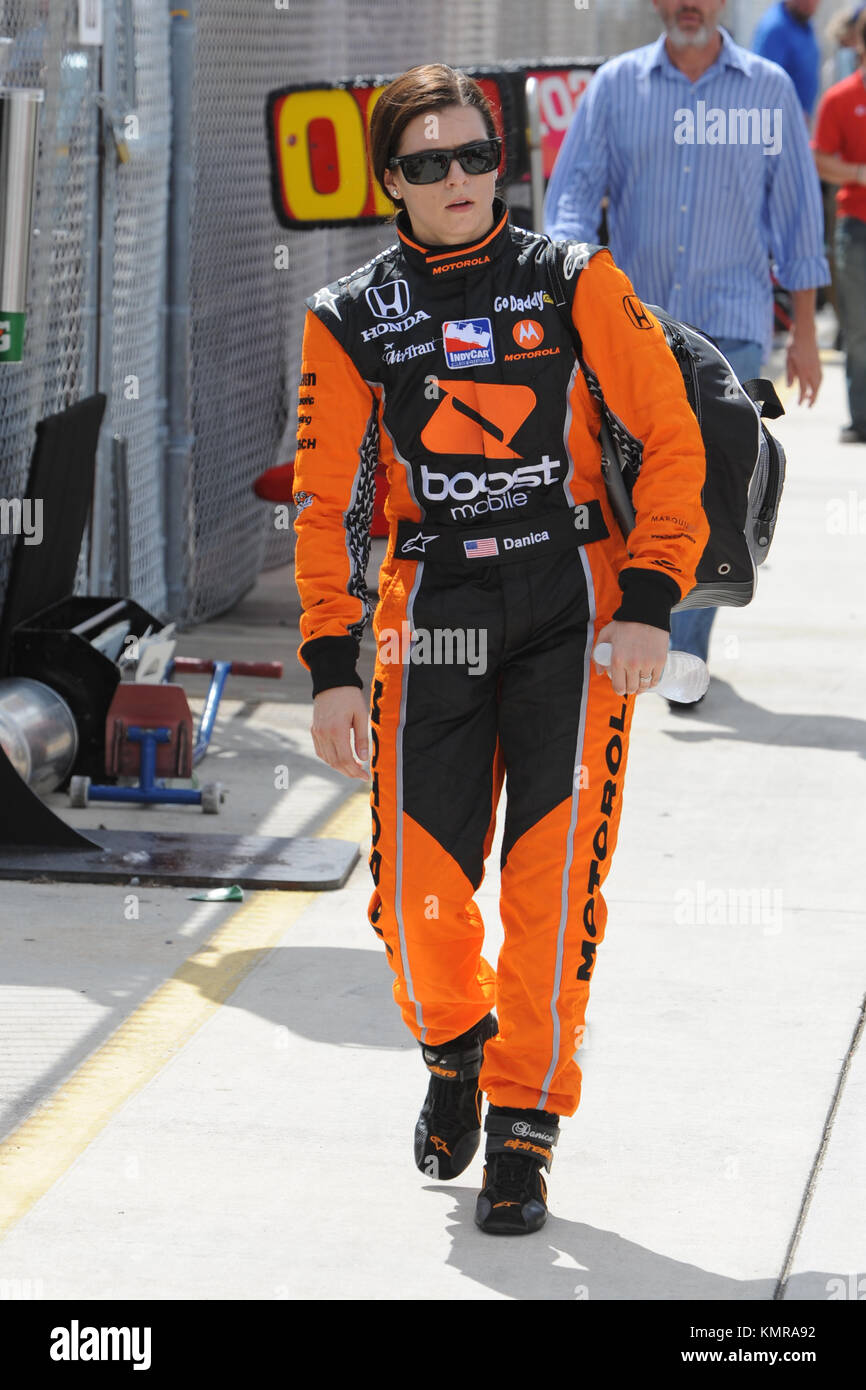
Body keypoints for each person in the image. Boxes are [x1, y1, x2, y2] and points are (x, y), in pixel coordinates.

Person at [292, 64, 709, 1235]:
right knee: (412, 903)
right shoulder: (345, 316)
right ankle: (453, 1044)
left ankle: (525, 1125)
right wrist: (329, 666)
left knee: (551, 884)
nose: (459, 178)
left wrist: (648, 595)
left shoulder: (575, 279)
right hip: (428, 612)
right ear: (390, 183)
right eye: (428, 163)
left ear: (501, 162)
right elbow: (324, 507)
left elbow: (670, 437)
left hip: (570, 607)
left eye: (476, 155)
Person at [544, 0, 829, 694]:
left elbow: (795, 211)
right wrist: (577, 279)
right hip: (637, 327)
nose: (687, 5)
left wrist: (807, 334)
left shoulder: (767, 88)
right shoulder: (615, 86)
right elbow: (572, 197)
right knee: (636, 480)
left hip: (732, 323)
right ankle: (647, 620)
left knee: (712, 489)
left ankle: (680, 649)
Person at [812, 6, 866, 444]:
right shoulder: (841, 99)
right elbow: (821, 160)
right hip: (857, 226)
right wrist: (860, 174)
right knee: (860, 328)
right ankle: (862, 417)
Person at [752, 0, 821, 119]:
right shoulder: (775, 29)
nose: (810, 3)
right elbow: (764, 87)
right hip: (780, 124)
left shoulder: (803, 21)